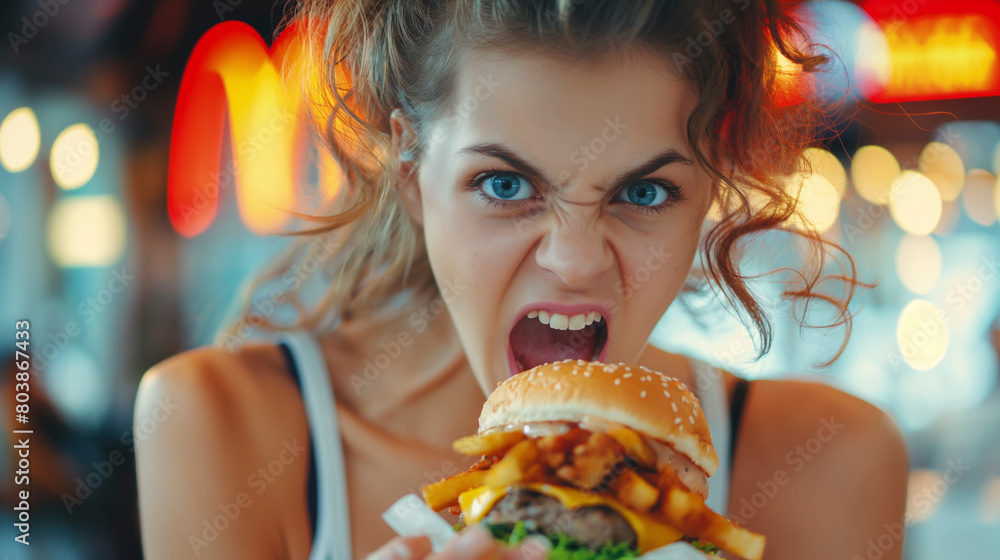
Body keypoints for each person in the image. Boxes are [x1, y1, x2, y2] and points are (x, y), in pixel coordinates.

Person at [134, 1, 909, 559]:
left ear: (712, 185)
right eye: (505, 186)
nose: (574, 261)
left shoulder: (830, 460)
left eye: (643, 193)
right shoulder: (219, 429)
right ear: (410, 168)